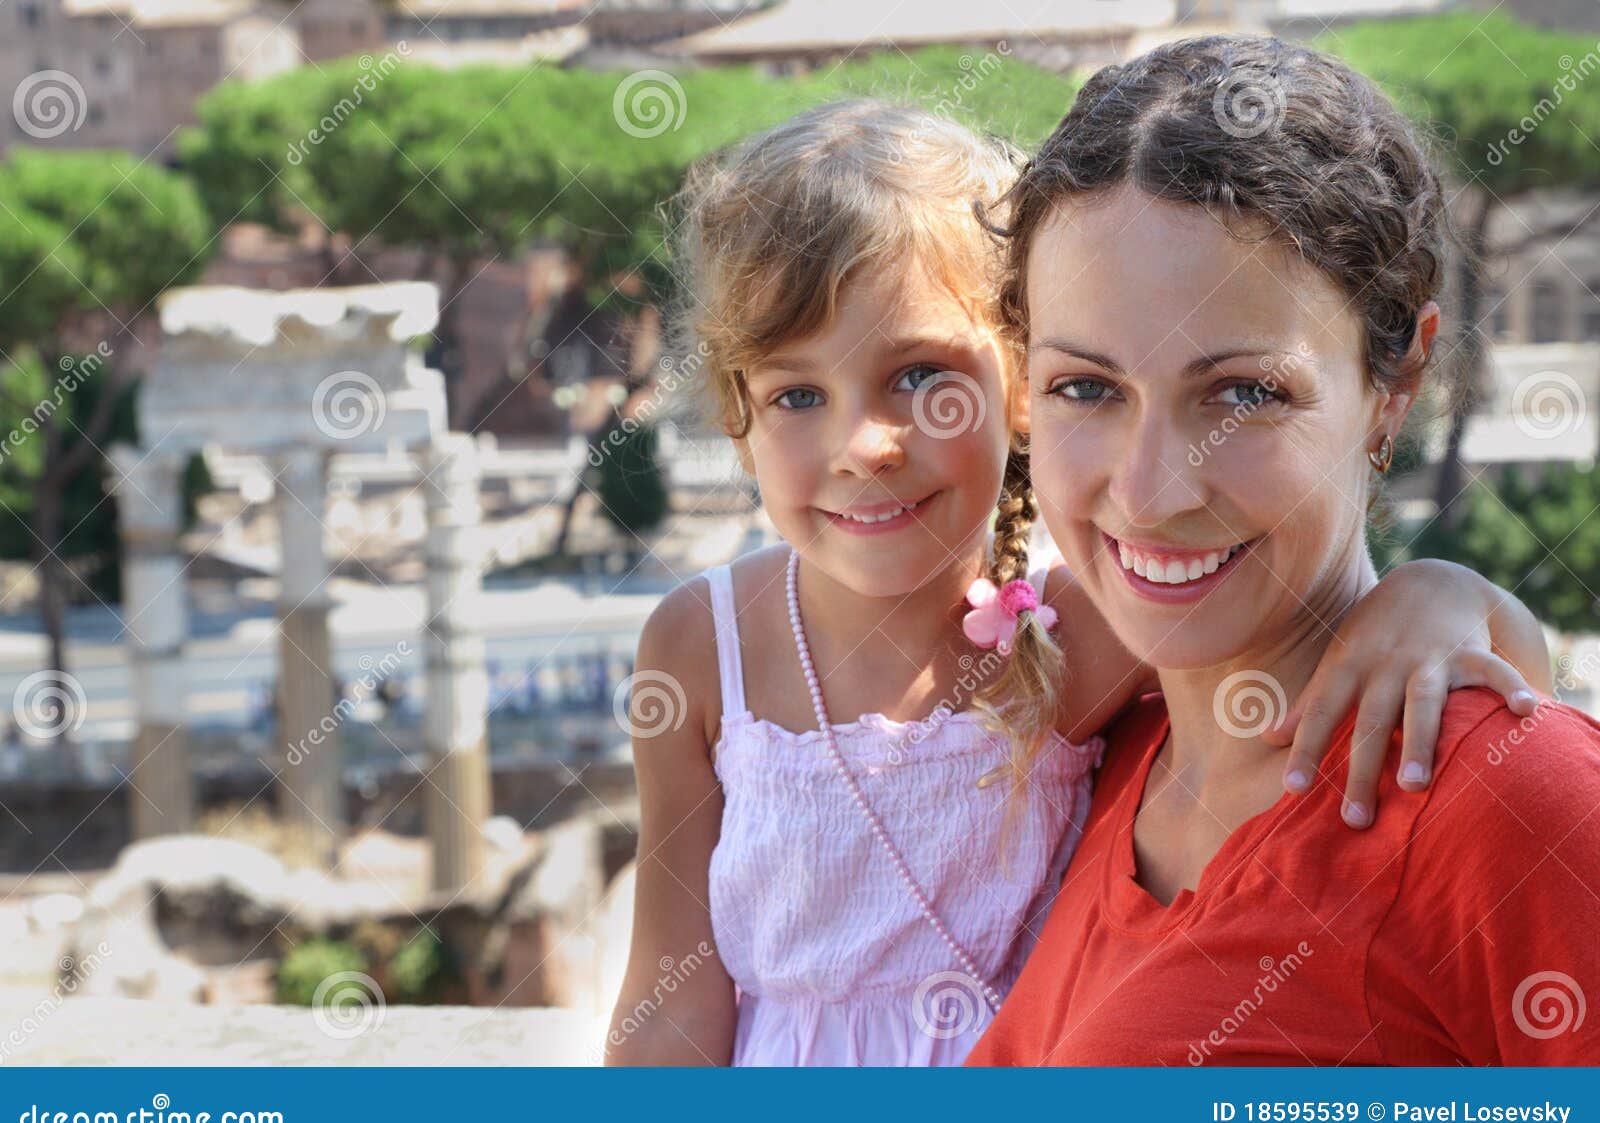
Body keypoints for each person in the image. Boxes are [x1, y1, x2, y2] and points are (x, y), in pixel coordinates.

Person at [609, 99, 1551, 1067]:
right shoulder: (699, 649)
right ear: (737, 415)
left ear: (1020, 383)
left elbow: (1356, 647)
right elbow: (668, 992)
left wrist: (1441, 592)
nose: (864, 446)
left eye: (917, 376)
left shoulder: (1079, 633)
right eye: (796, 394)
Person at [967, 35, 1599, 1066]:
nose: (1148, 488)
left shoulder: (1505, 796)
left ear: (1393, 388)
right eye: (1086, 386)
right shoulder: (1088, 754)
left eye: (1246, 393)